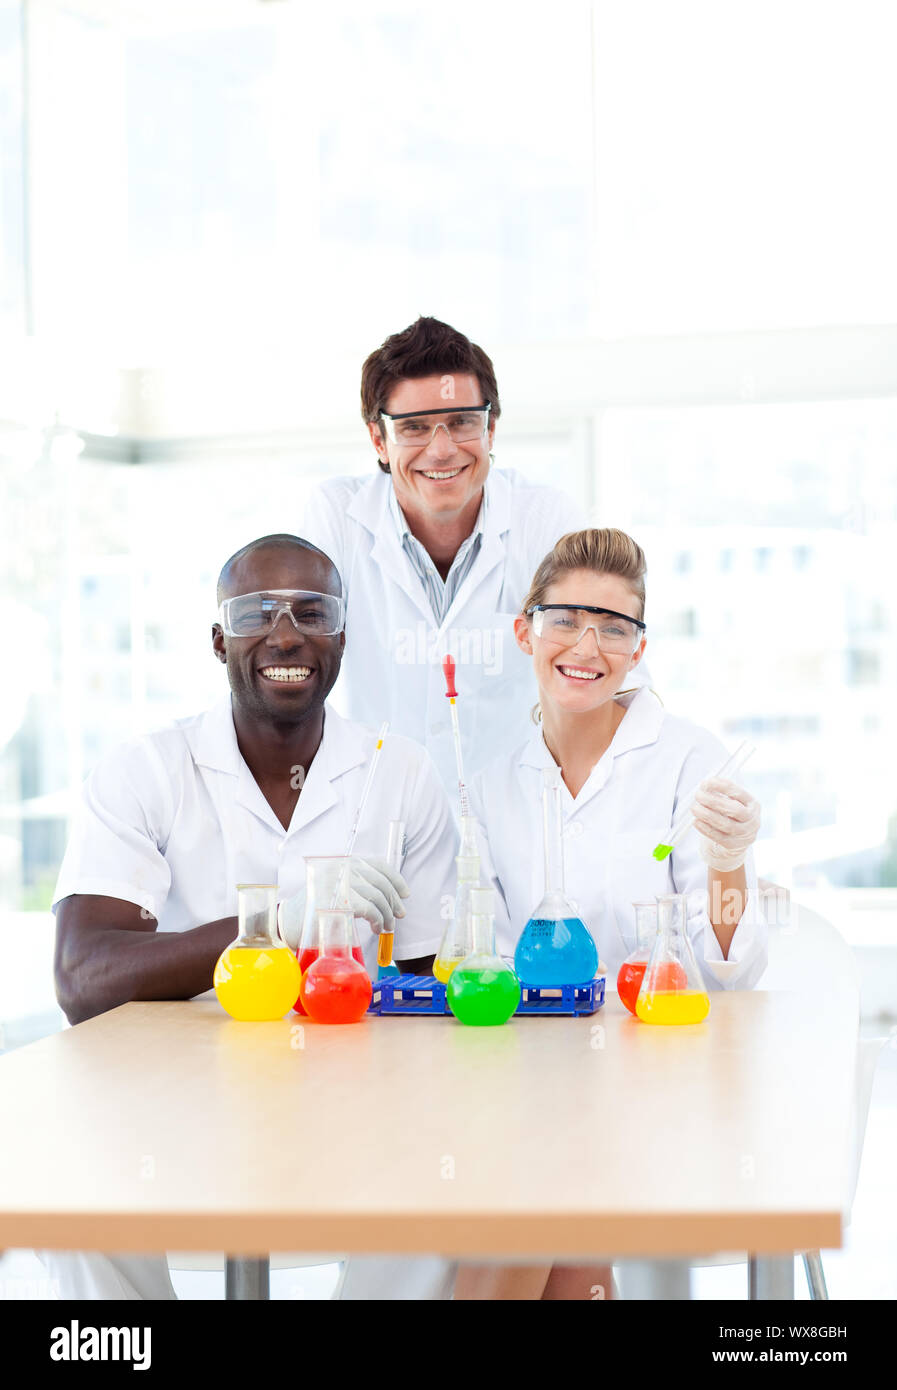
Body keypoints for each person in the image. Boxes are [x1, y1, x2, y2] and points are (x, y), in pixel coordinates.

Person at [42, 533, 457, 1300]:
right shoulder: (146, 770)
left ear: (341, 636)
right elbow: (82, 977)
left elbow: (424, 981)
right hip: (169, 1101)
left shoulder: (401, 773)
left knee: (455, 1201)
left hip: (354, 1099)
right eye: (257, 612)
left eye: (311, 611)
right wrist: (268, 928)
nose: (286, 633)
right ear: (217, 639)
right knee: (74, 1208)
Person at [447, 527, 767, 1299]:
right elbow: (478, 958)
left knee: (533, 1204)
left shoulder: (687, 759)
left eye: (613, 626)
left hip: (660, 1077)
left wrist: (727, 859)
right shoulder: (489, 786)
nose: (586, 644)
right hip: (532, 1080)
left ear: (638, 649)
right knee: (545, 1199)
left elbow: (729, 970)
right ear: (524, 630)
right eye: (565, 619)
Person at [299, 315, 595, 797]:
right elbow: (290, 673)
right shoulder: (337, 518)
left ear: (491, 429)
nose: (441, 450)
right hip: (381, 822)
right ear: (378, 439)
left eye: (461, 422)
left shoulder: (543, 520)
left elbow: (612, 674)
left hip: (517, 824)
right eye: (414, 428)